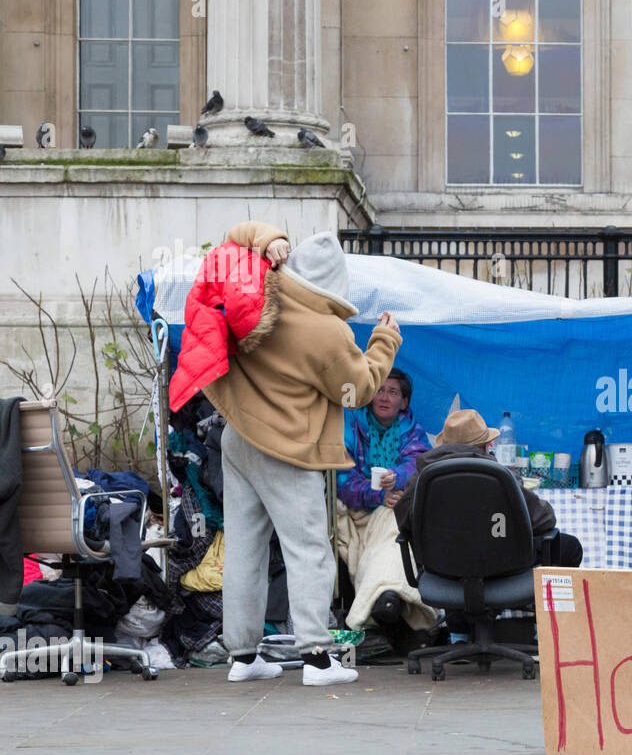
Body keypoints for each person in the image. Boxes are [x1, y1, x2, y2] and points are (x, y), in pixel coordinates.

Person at [170, 220, 400, 685]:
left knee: (244, 551)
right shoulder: (325, 331)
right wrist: (384, 342)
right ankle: (317, 658)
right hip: (285, 449)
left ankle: (243, 656)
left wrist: (268, 237)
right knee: (309, 549)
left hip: (236, 439)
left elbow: (234, 234)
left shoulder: (257, 289)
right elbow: (357, 390)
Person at [394, 409, 583, 569]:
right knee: (569, 547)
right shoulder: (500, 477)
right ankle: (539, 609)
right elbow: (544, 519)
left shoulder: (421, 477)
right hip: (502, 567)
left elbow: (404, 522)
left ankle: (466, 609)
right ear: (485, 446)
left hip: (443, 570)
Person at [335, 367, 441, 640]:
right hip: (356, 509)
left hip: (391, 508)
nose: (384, 397)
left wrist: (399, 479)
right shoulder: (350, 425)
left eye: (393, 392)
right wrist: (378, 495)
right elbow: (341, 479)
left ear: (404, 402)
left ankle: (383, 600)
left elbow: (417, 465)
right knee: (392, 515)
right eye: (379, 390)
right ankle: (388, 600)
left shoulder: (412, 431)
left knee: (396, 520)